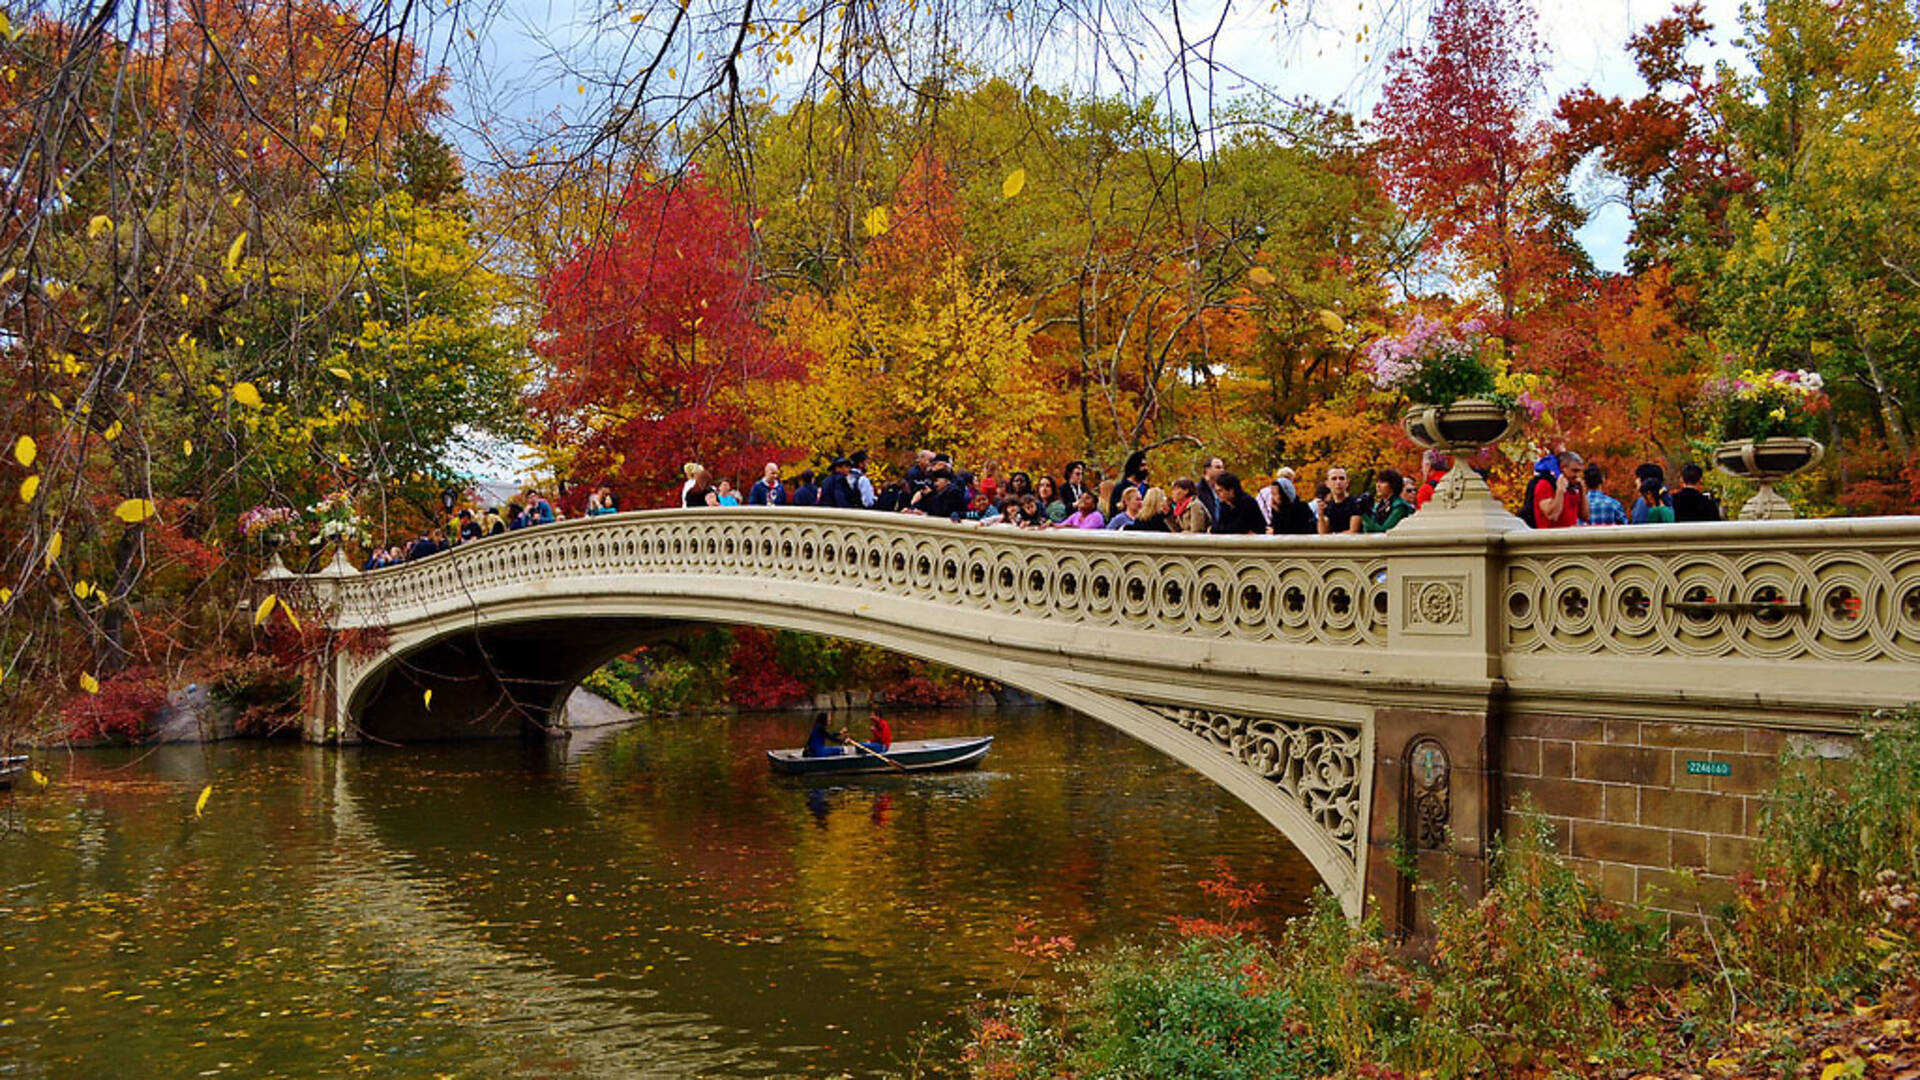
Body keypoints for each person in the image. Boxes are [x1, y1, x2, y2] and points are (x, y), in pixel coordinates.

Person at [1520, 453, 1583, 529]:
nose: (1577, 475)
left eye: (1579, 472)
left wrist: (1582, 490)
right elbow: (1553, 515)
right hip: (1551, 535)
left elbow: (1585, 516)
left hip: (1570, 535)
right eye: (1574, 471)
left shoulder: (1572, 488)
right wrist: (1560, 491)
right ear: (1562, 468)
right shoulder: (1545, 485)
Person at [1317, 466, 1364, 535]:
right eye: (1334, 479)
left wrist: (1332, 536)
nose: (1338, 482)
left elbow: (1353, 531)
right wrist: (1321, 515)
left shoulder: (1356, 503)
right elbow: (1322, 533)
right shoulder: (1328, 506)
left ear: (1347, 482)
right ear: (1327, 484)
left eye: (1342, 478)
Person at [1109, 450, 1149, 518]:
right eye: (1142, 465)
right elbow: (1114, 512)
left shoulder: (1146, 488)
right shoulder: (1120, 488)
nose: (1146, 468)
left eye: (1146, 465)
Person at [1197, 456, 1226, 520]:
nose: (1222, 470)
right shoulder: (1197, 490)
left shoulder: (1224, 490)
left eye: (1223, 468)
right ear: (1207, 469)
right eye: (1218, 467)